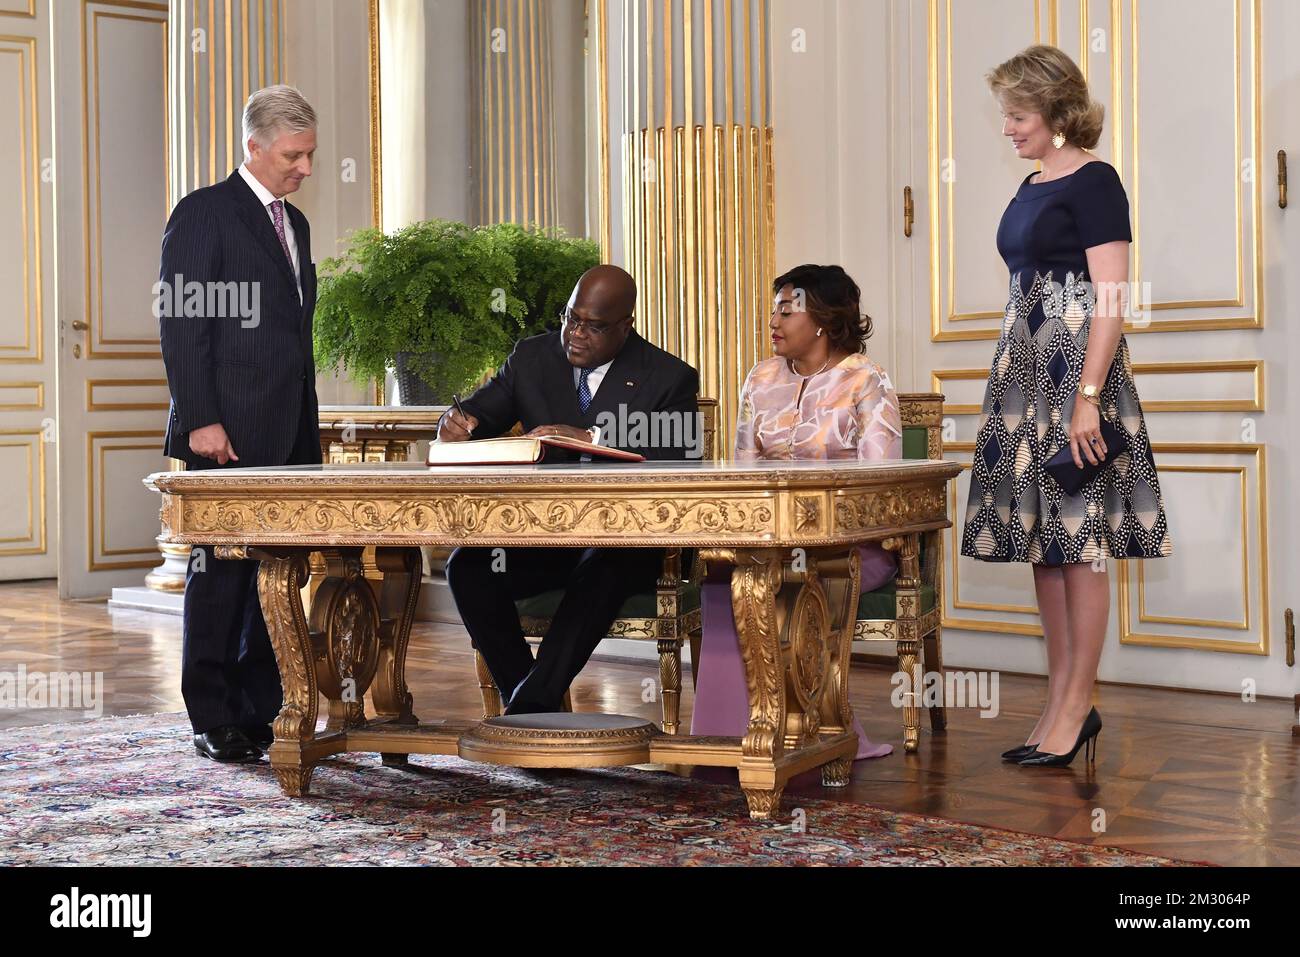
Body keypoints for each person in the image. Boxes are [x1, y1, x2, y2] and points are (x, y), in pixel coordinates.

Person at [961, 45, 1172, 768]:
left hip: (1077, 370)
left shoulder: (1095, 181)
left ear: (1054, 113)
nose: (1008, 129)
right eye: (1007, 116)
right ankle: (1057, 704)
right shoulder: (1031, 183)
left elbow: (1110, 298)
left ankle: (1078, 704)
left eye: (1017, 116)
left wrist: (1088, 397)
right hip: (1024, 370)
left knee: (1078, 546)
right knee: (1044, 550)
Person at [439, 265, 700, 715]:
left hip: (627, 540)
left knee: (606, 562)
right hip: (547, 538)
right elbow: (478, 419)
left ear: (625, 325)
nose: (576, 335)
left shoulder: (668, 377)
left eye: (593, 326)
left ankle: (529, 707)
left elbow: (678, 462)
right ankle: (537, 706)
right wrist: (456, 425)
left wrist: (592, 438)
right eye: (570, 318)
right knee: (468, 567)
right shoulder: (531, 358)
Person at [158, 85, 322, 763]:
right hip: (224, 430)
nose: (305, 167)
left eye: (311, 154)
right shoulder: (204, 214)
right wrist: (200, 419)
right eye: (294, 154)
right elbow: (181, 321)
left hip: (290, 430)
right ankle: (213, 711)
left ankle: (259, 705)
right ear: (253, 146)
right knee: (219, 572)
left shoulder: (298, 224)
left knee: (276, 571)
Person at [689, 264, 902, 760]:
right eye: (774, 309)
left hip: (849, 547)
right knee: (724, 576)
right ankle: (728, 740)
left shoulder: (866, 380)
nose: (775, 320)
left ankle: (808, 736)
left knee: (786, 578)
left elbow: (879, 481)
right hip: (766, 541)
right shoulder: (760, 378)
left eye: (788, 309)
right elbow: (743, 471)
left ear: (824, 319)